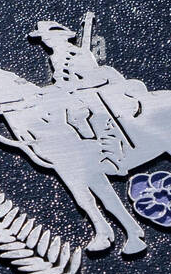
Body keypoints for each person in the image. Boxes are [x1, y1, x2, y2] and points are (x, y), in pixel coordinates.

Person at [29, 20, 147, 171]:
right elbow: (60, 80)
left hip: (94, 90)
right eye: (44, 38)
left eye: (48, 37)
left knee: (84, 114)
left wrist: (73, 85)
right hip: (73, 93)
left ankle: (112, 150)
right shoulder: (55, 57)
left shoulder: (78, 53)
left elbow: (95, 77)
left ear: (61, 37)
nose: (45, 41)